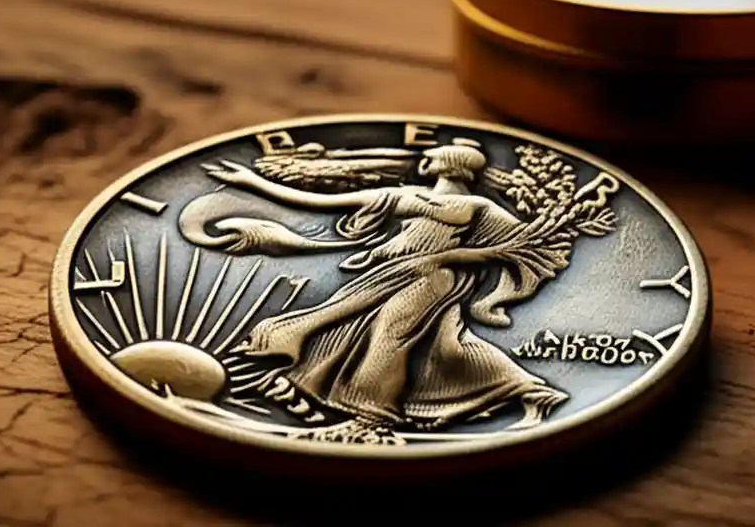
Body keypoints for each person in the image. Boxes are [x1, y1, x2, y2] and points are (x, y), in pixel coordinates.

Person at [203, 139, 569, 432]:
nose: (424, 161)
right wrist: (254, 183)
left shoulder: (477, 208)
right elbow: (322, 203)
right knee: (436, 345)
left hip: (433, 280)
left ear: (446, 163)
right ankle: (532, 393)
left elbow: (523, 248)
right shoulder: (407, 196)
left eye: (431, 157)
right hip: (388, 277)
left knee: (390, 336)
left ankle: (372, 414)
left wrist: (444, 259)